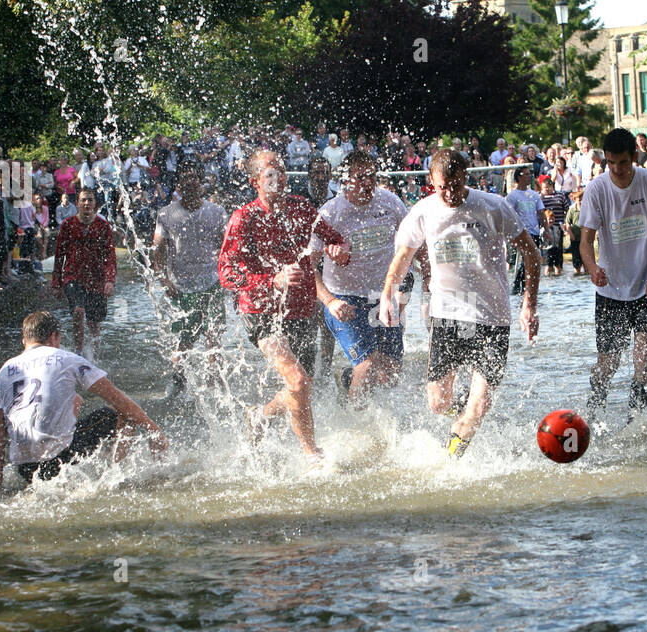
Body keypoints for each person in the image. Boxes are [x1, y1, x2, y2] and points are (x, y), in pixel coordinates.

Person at [378, 148, 540, 458]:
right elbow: (402, 257)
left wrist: (529, 304)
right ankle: (466, 415)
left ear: (465, 176)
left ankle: (451, 458)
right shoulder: (423, 212)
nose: (450, 193)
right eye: (443, 187)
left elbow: (531, 254)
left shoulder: (493, 206)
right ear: (431, 182)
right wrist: (387, 294)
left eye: (456, 184)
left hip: (493, 317)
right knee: (438, 402)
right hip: (448, 315)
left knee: (477, 408)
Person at [218, 150, 348, 462]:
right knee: (298, 380)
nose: (279, 179)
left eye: (282, 173)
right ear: (255, 182)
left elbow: (336, 238)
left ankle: (260, 416)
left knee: (302, 387)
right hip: (261, 310)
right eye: (270, 175)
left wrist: (338, 250)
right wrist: (272, 280)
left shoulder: (303, 208)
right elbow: (227, 273)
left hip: (301, 309)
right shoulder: (243, 218)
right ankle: (310, 452)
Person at [0, 311, 166, 490]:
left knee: (75, 399)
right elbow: (118, 399)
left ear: (24, 340)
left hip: (25, 469)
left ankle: (53, 477)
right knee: (122, 413)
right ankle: (112, 479)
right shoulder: (66, 359)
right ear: (54, 336)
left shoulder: (1, 374)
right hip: (58, 461)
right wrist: (154, 430)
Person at [581, 129, 647, 424]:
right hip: (611, 290)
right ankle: (594, 410)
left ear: (634, 158)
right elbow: (585, 241)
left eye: (623, 163)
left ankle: (636, 422)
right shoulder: (596, 189)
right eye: (610, 163)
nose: (617, 170)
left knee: (644, 359)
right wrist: (593, 268)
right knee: (608, 364)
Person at [310, 150, 410, 400]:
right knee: (367, 366)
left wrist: (427, 275)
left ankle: (347, 381)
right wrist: (329, 301)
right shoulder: (331, 213)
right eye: (361, 177)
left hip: (382, 296)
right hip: (345, 298)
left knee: (391, 373)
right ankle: (355, 426)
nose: (368, 183)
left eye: (372, 177)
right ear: (346, 180)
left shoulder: (390, 202)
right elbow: (307, 265)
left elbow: (413, 241)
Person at [151, 158, 229, 399]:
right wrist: (164, 280)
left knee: (214, 334)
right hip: (182, 286)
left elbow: (227, 248)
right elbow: (158, 249)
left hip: (212, 281)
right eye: (185, 179)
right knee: (186, 336)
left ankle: (214, 382)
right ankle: (178, 380)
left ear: (201, 183)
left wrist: (229, 278)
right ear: (179, 185)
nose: (191, 182)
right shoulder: (167, 213)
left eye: (194, 178)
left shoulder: (216, 212)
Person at [52, 188, 116, 359]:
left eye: (90, 200)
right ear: (77, 203)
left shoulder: (103, 227)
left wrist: (110, 280)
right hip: (73, 276)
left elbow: (110, 256)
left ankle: (94, 357)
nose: (87, 203)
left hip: (97, 279)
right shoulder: (68, 225)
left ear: (95, 204)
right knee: (79, 311)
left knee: (94, 322)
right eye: (83, 200)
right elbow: (59, 256)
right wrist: (56, 283)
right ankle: (79, 352)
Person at [505, 166, 546, 295]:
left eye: (530, 174)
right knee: (525, 260)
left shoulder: (534, 195)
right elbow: (508, 215)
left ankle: (526, 287)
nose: (529, 176)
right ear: (519, 177)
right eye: (526, 174)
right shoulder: (512, 196)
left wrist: (548, 231)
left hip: (534, 233)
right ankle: (518, 287)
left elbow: (541, 213)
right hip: (520, 233)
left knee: (532, 261)